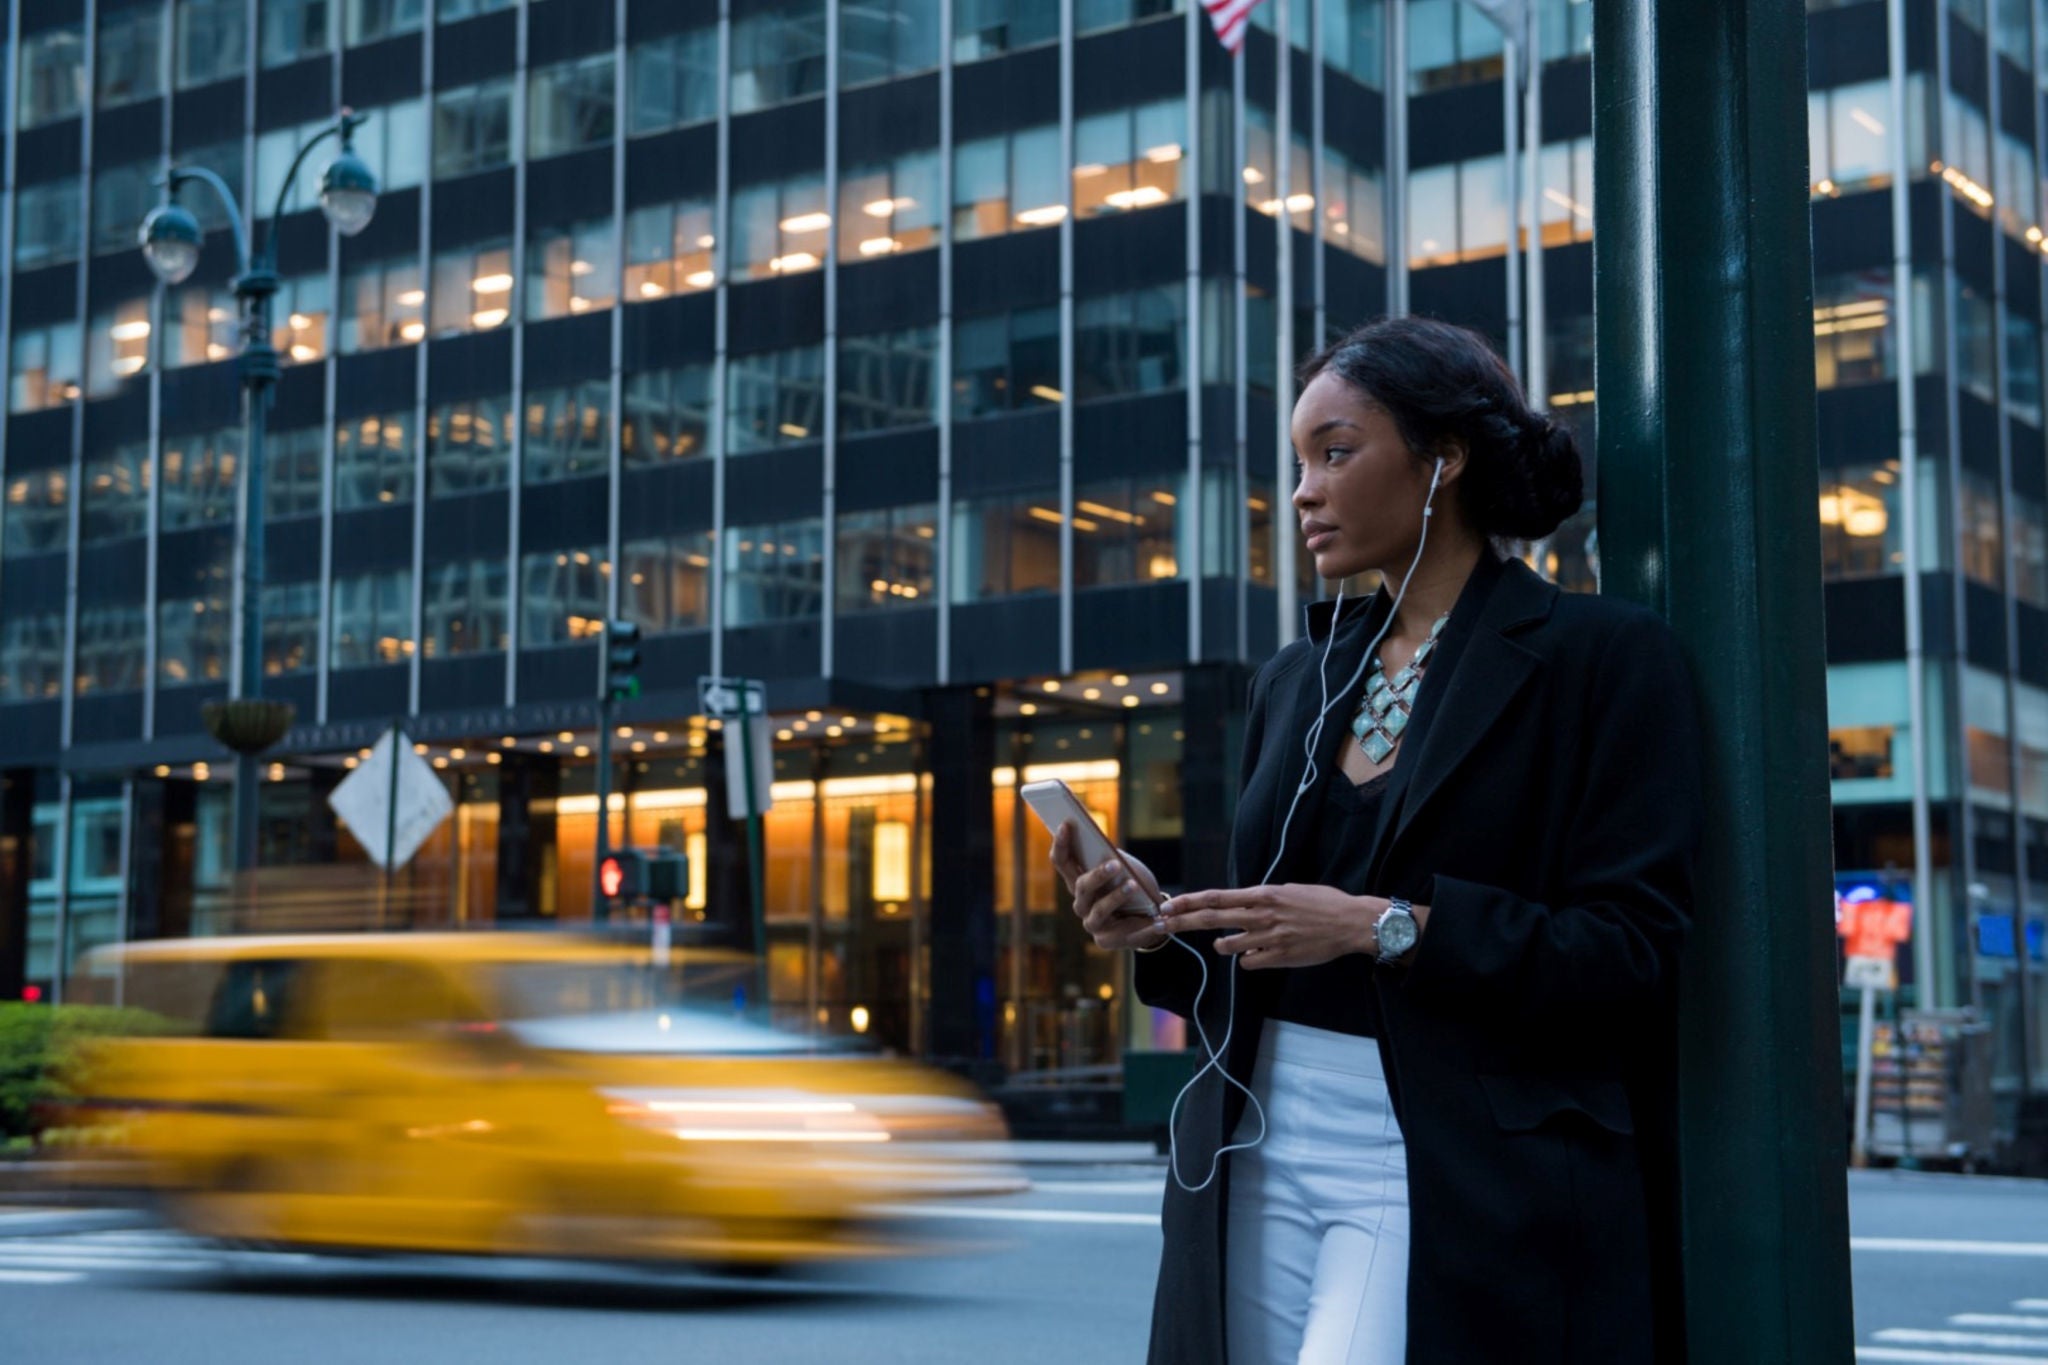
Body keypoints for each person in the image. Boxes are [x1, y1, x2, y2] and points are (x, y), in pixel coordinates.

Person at [1052, 315, 1703, 1365]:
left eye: (1334, 452)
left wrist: (1383, 928)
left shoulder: (1604, 661)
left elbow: (1634, 954)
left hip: (1446, 1160)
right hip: (1250, 1141)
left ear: (1441, 460)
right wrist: (1156, 926)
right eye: (1297, 462)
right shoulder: (1291, 680)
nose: (1302, 491)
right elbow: (1274, 940)